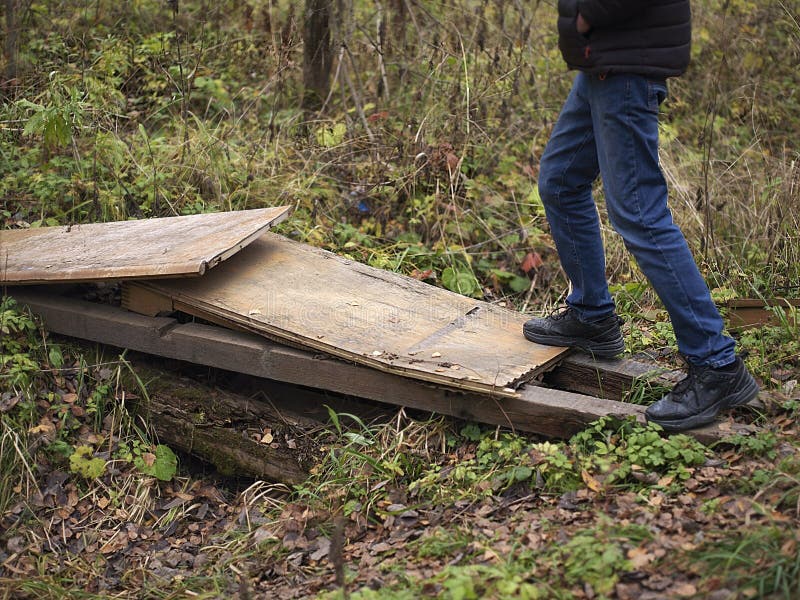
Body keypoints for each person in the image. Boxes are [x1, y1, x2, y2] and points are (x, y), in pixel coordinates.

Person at [522, 0, 759, 431]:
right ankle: (592, 317)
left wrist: (589, 16)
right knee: (559, 182)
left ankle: (717, 363)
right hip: (603, 62)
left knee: (640, 214)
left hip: (625, 65)